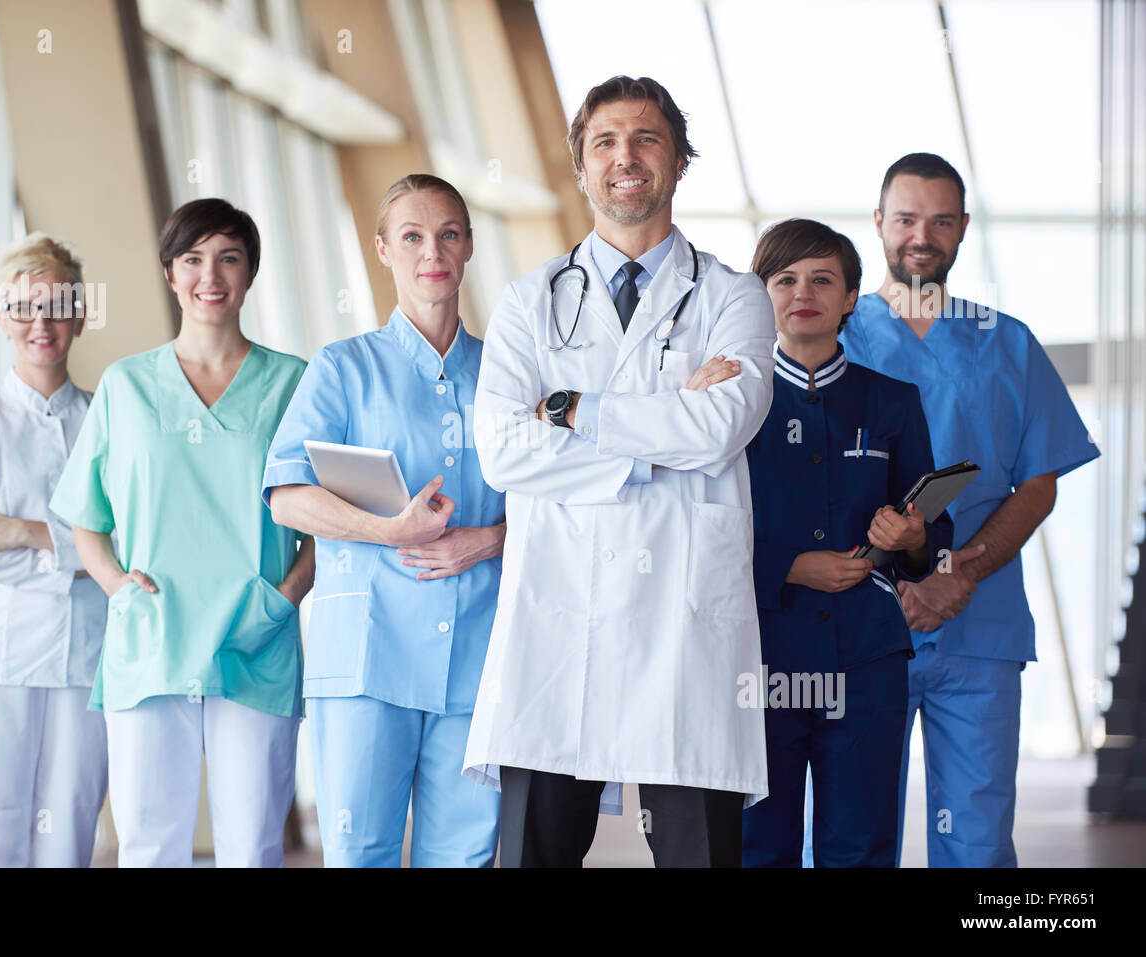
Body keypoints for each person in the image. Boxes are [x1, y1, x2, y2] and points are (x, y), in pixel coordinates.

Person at [462, 75, 777, 867]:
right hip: (558, 616)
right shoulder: (530, 302)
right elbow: (503, 450)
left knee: (696, 853)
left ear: (677, 162)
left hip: (683, 620)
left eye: (646, 140)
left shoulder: (734, 297)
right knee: (535, 853)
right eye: (604, 141)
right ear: (580, 167)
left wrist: (574, 410)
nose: (624, 157)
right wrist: (664, 417)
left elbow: (722, 424)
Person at [840, 153, 1100, 866]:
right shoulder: (833, 337)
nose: (922, 235)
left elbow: (1038, 482)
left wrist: (960, 575)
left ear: (961, 231)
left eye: (941, 220)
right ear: (879, 225)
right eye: (906, 219)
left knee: (977, 843)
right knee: (848, 838)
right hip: (859, 627)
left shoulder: (1005, 341)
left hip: (976, 627)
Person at [49, 198, 315, 867]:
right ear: (170, 273)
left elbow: (327, 520)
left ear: (250, 271)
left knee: (252, 845)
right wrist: (116, 586)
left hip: (255, 639)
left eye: (229, 256)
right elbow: (87, 519)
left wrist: (284, 597)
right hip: (150, 638)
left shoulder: (293, 383)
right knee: (149, 846)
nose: (211, 274)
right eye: (193, 258)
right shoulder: (126, 385)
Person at [263, 174, 505, 868]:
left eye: (449, 234)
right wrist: (390, 531)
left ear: (467, 248)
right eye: (412, 236)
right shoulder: (343, 368)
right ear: (382, 249)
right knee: (358, 850)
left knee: (464, 854)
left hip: (477, 658)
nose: (432, 250)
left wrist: (489, 538)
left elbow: (553, 507)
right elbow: (285, 494)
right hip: (368, 656)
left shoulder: (504, 377)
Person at [740, 219, 954, 867]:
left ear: (851, 298)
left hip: (867, 658)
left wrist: (913, 537)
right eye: (784, 279)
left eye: (822, 279)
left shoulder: (892, 401)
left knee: (860, 844)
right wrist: (792, 566)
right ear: (760, 295)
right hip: (759, 658)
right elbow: (698, 531)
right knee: (759, 843)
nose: (803, 291)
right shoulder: (730, 404)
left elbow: (932, 536)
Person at [0, 233, 108, 867]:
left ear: (82, 314)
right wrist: (83, 555)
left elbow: (129, 543)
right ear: (2, 317)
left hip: (83, 657)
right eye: (24, 307)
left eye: (59, 305)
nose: (42, 323)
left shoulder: (106, 419)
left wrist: (22, 531)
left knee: (68, 834)